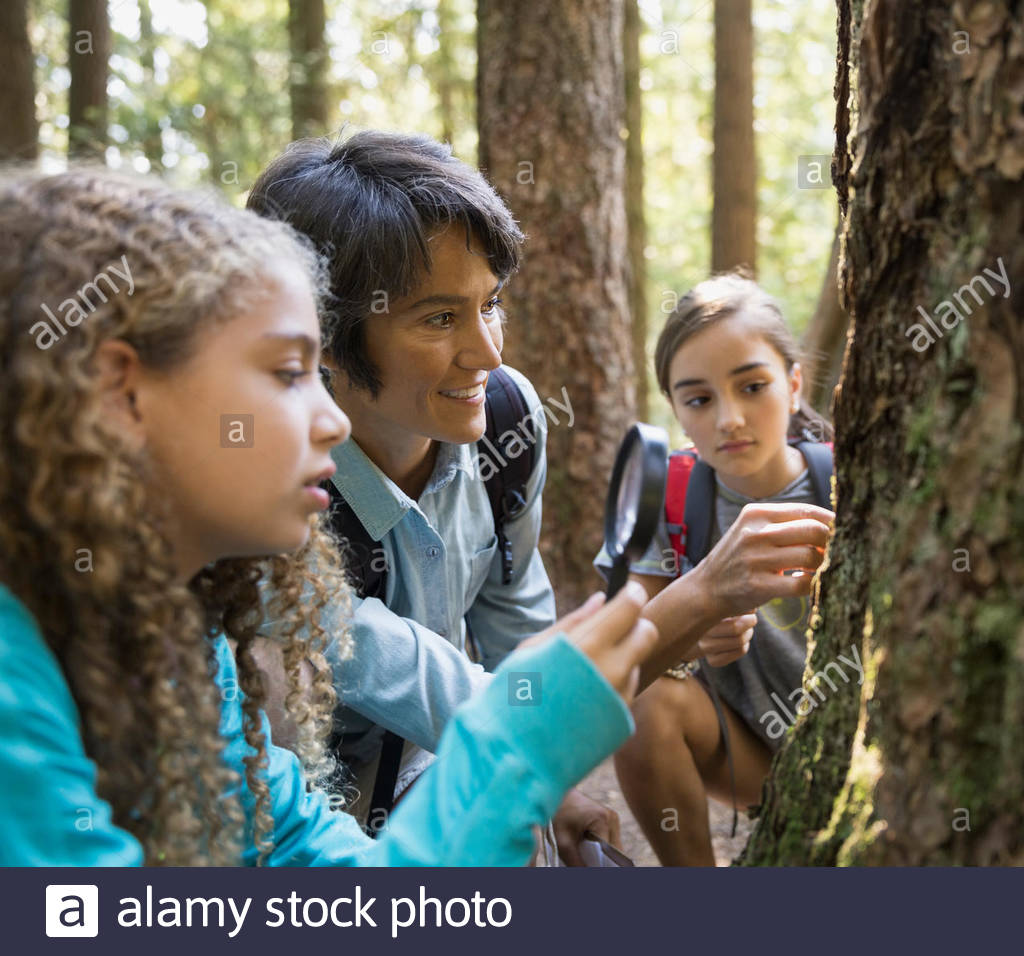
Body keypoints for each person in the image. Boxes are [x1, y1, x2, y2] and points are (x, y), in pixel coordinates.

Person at [0, 168, 655, 866]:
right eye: (287, 373)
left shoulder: (183, 643)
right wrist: (515, 745)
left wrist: (523, 764)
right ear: (121, 394)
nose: (328, 418)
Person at [245, 132, 833, 863]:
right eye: (438, 318)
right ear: (325, 335)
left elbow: (515, 623)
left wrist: (553, 795)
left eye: (490, 304)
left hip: (424, 777)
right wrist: (703, 594)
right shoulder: (270, 493)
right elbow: (444, 689)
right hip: (287, 823)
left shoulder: (506, 419)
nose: (488, 351)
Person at [595, 272, 836, 866]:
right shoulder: (668, 496)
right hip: (751, 756)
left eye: (753, 386)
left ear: (794, 382)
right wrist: (687, 633)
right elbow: (617, 653)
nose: (729, 418)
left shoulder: (853, 480)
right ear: (677, 411)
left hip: (863, 746)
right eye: (699, 399)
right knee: (646, 702)